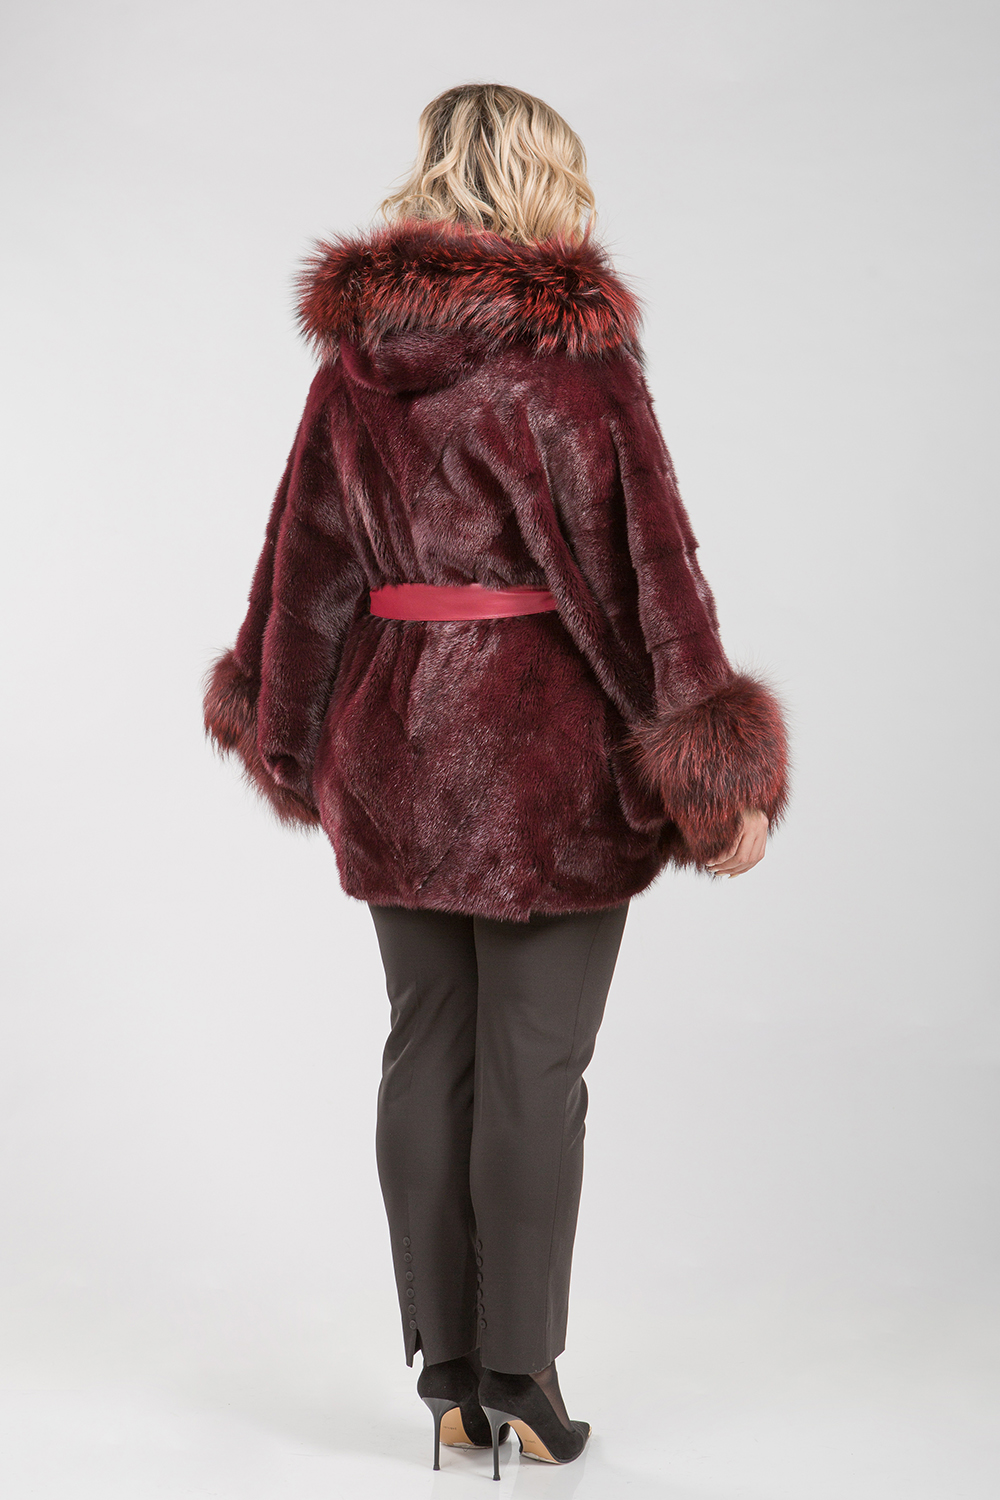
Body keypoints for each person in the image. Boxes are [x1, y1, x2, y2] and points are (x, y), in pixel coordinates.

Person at [203, 82, 789, 1476]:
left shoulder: (352, 368)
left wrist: (289, 732)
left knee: (428, 1049)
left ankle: (447, 1380)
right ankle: (522, 1372)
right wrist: (714, 771)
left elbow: (305, 564)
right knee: (537, 1064)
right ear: (544, 177)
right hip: (544, 761)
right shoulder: (578, 363)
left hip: (394, 749)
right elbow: (644, 579)